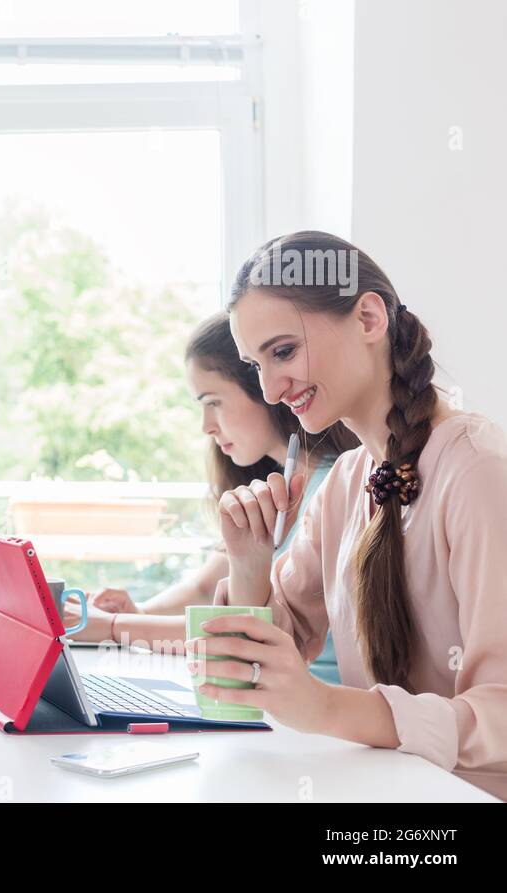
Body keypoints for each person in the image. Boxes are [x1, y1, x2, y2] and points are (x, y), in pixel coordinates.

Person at [198, 230, 507, 799]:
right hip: (389, 795)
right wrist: (249, 566)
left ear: (368, 319)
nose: (270, 390)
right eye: (255, 364)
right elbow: (243, 680)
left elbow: (501, 714)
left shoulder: (477, 471)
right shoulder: (344, 484)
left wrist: (327, 706)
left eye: (284, 351)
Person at [63, 313, 356, 684]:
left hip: (311, 704)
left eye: (213, 402)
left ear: (264, 390)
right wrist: (140, 612)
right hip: (277, 699)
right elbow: (206, 588)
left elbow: (243, 634)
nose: (206, 426)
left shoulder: (333, 485)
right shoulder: (272, 483)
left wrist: (114, 627)